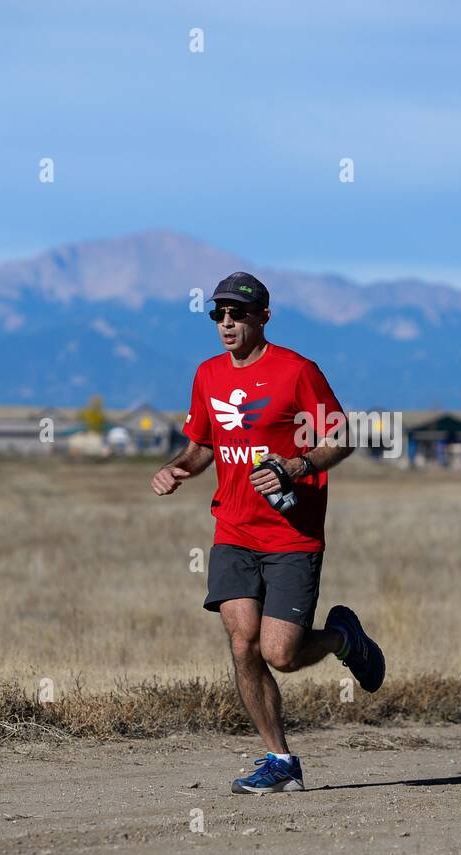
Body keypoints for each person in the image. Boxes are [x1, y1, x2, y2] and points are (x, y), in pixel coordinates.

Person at [151, 271, 385, 794]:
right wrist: (176, 469)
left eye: (238, 313)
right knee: (242, 644)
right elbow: (202, 445)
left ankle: (343, 638)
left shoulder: (296, 371)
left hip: (291, 533)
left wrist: (297, 467)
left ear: (263, 317)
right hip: (233, 528)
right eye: (219, 314)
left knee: (280, 653)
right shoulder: (208, 375)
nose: (227, 323)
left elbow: (341, 438)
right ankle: (279, 760)